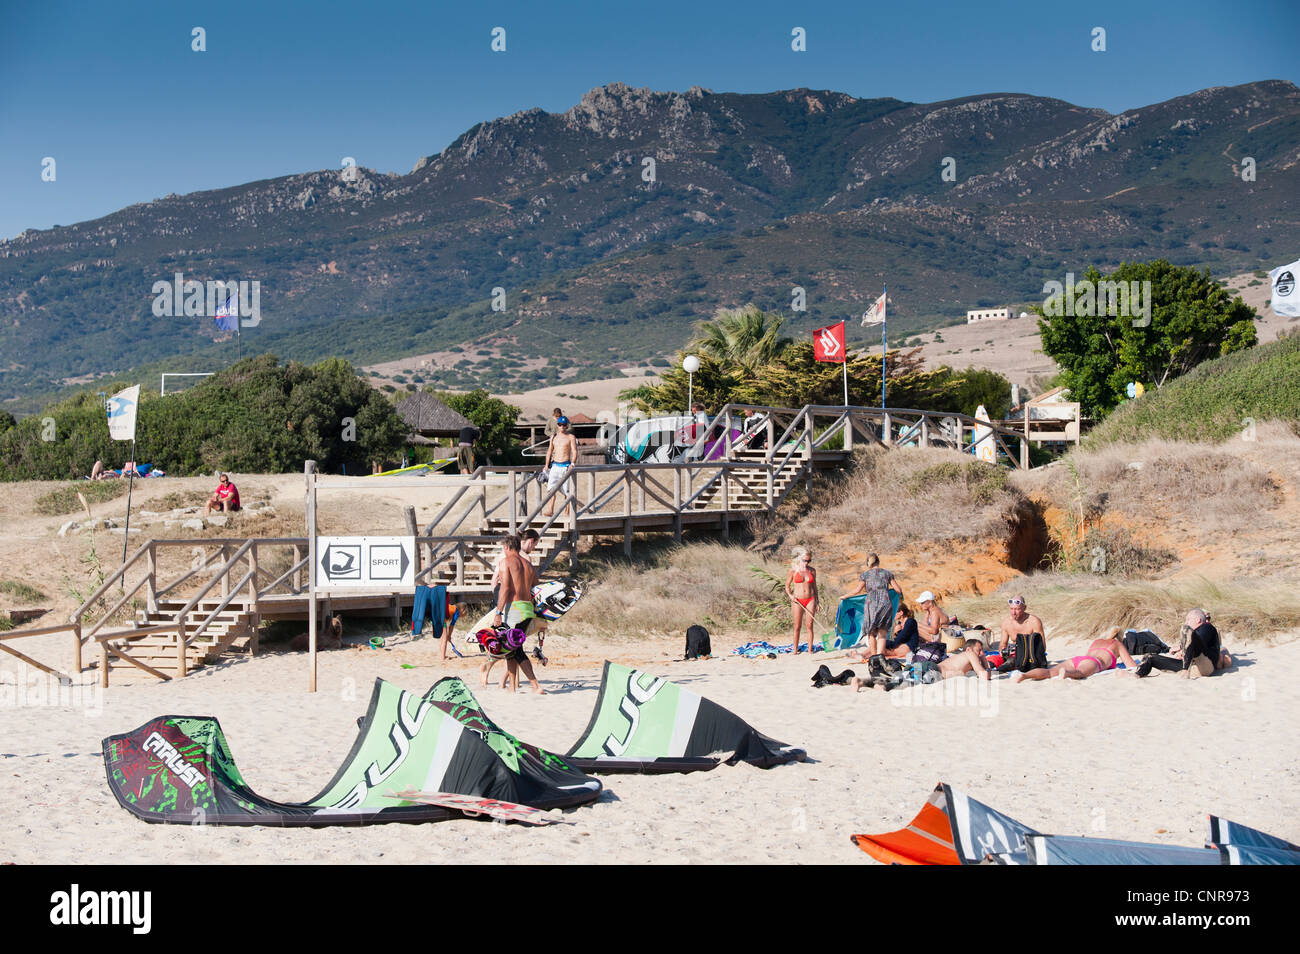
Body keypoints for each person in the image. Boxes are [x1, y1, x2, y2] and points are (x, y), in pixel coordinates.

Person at [483, 535, 544, 694]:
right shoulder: (529, 565)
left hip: (514, 610)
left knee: (515, 649)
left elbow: (506, 588)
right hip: (527, 610)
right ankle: (511, 687)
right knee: (511, 648)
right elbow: (536, 589)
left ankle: (535, 685)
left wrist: (498, 612)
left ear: (507, 548)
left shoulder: (505, 562)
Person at [1013, 630, 1139, 682]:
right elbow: (1131, 665)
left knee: (1050, 672)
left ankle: (1025, 675)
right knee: (1080, 672)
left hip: (1078, 659)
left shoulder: (1097, 641)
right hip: (1094, 662)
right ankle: (1067, 673)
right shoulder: (1117, 644)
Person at [1136, 611, 1233, 678]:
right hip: (1194, 667)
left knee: (1185, 629)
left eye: (1188, 619)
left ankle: (1185, 670)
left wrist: (1182, 649)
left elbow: (1198, 643)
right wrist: (1183, 651)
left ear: (1198, 620)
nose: (1186, 622)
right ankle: (1136, 675)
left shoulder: (1207, 627)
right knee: (1149, 657)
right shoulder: (1196, 633)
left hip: (1205, 665)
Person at [845, 554, 903, 662]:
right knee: (883, 632)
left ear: (868, 563)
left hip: (871, 604)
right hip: (885, 604)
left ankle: (873, 656)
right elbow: (898, 590)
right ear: (878, 561)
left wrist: (845, 597)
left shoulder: (865, 575)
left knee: (871, 632)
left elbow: (857, 590)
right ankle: (880, 657)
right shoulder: (887, 574)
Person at [541, 416, 577, 518]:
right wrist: (546, 465)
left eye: (564, 425)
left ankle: (567, 512)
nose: (562, 427)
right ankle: (550, 509)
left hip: (565, 465)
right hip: (555, 465)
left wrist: (573, 463)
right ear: (557, 425)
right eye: (560, 425)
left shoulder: (571, 437)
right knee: (551, 488)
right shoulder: (554, 437)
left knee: (567, 490)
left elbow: (574, 451)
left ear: (567, 426)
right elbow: (549, 451)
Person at [786, 547, 819, 654]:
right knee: (797, 626)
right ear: (800, 559)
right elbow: (787, 586)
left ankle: (810, 650)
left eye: (809, 561)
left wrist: (817, 602)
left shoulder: (812, 570)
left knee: (809, 625)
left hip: (810, 599)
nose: (807, 563)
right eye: (805, 560)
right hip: (797, 600)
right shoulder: (793, 571)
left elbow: (815, 587)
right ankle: (795, 650)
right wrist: (790, 596)